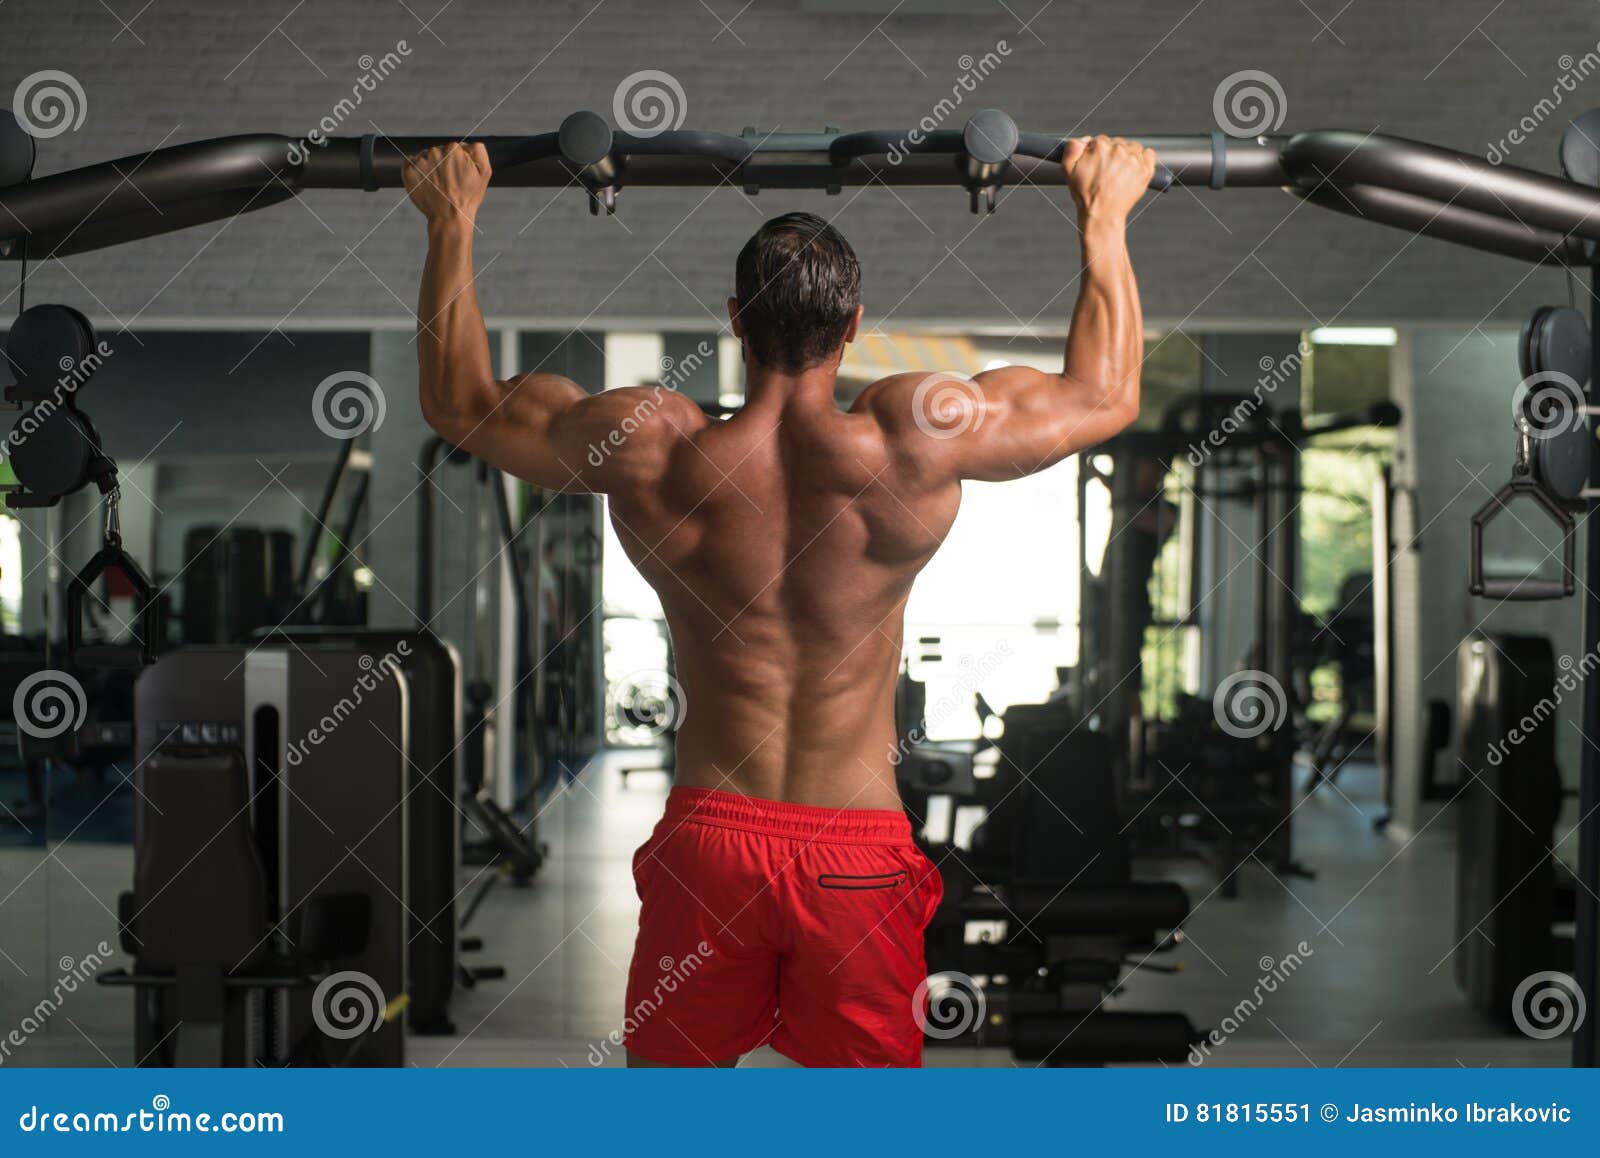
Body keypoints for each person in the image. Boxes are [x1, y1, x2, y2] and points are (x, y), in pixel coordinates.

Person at [403, 133, 1155, 1067]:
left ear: (734, 320)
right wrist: (1105, 213)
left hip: (712, 841)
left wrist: (452, 218)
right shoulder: (913, 438)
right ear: (853, 328)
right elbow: (1107, 393)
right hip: (856, 856)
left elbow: (459, 401)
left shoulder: (655, 448)